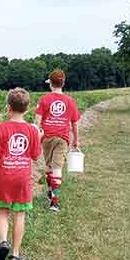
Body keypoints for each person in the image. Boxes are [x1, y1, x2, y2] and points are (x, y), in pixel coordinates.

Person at [0, 88, 42, 260]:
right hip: (22, 177)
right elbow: (35, 155)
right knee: (20, 214)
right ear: (27, 109)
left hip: (4, 176)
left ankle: (3, 242)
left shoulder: (0, 129)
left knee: (3, 210)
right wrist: (39, 137)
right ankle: (15, 255)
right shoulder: (32, 130)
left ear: (8, 107)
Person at [34, 70, 81, 212]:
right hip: (62, 138)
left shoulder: (43, 99)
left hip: (46, 137)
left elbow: (37, 122)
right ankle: (54, 202)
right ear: (63, 83)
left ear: (50, 84)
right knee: (57, 168)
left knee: (49, 167)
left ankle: (50, 191)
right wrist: (76, 141)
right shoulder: (70, 101)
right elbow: (74, 124)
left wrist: (36, 137)